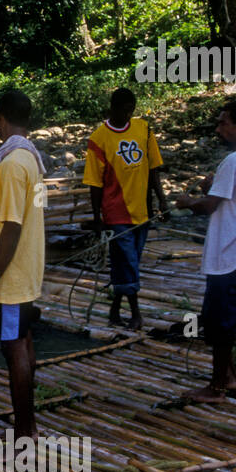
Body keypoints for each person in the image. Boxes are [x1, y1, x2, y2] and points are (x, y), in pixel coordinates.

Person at [174, 100, 236, 404]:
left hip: (232, 254)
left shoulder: (235, 161)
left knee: (219, 322)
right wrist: (207, 189)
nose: (219, 128)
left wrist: (187, 202)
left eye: (224, 122)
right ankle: (228, 376)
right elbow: (223, 197)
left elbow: (209, 206)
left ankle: (216, 387)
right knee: (220, 318)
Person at [0, 89, 46, 442]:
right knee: (23, 342)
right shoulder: (30, 158)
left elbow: (12, 226)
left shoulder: (13, 164)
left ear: (1, 119)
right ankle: (27, 424)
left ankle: (25, 430)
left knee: (13, 346)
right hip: (25, 274)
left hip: (11, 281)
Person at [82, 87, 170, 330]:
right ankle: (135, 314)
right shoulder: (98, 138)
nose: (127, 113)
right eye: (122, 109)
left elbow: (153, 169)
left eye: (130, 109)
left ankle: (113, 310)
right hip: (116, 212)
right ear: (113, 108)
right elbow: (94, 183)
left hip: (142, 210)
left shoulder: (145, 129)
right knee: (128, 261)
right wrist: (97, 217)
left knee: (128, 262)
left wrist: (161, 201)